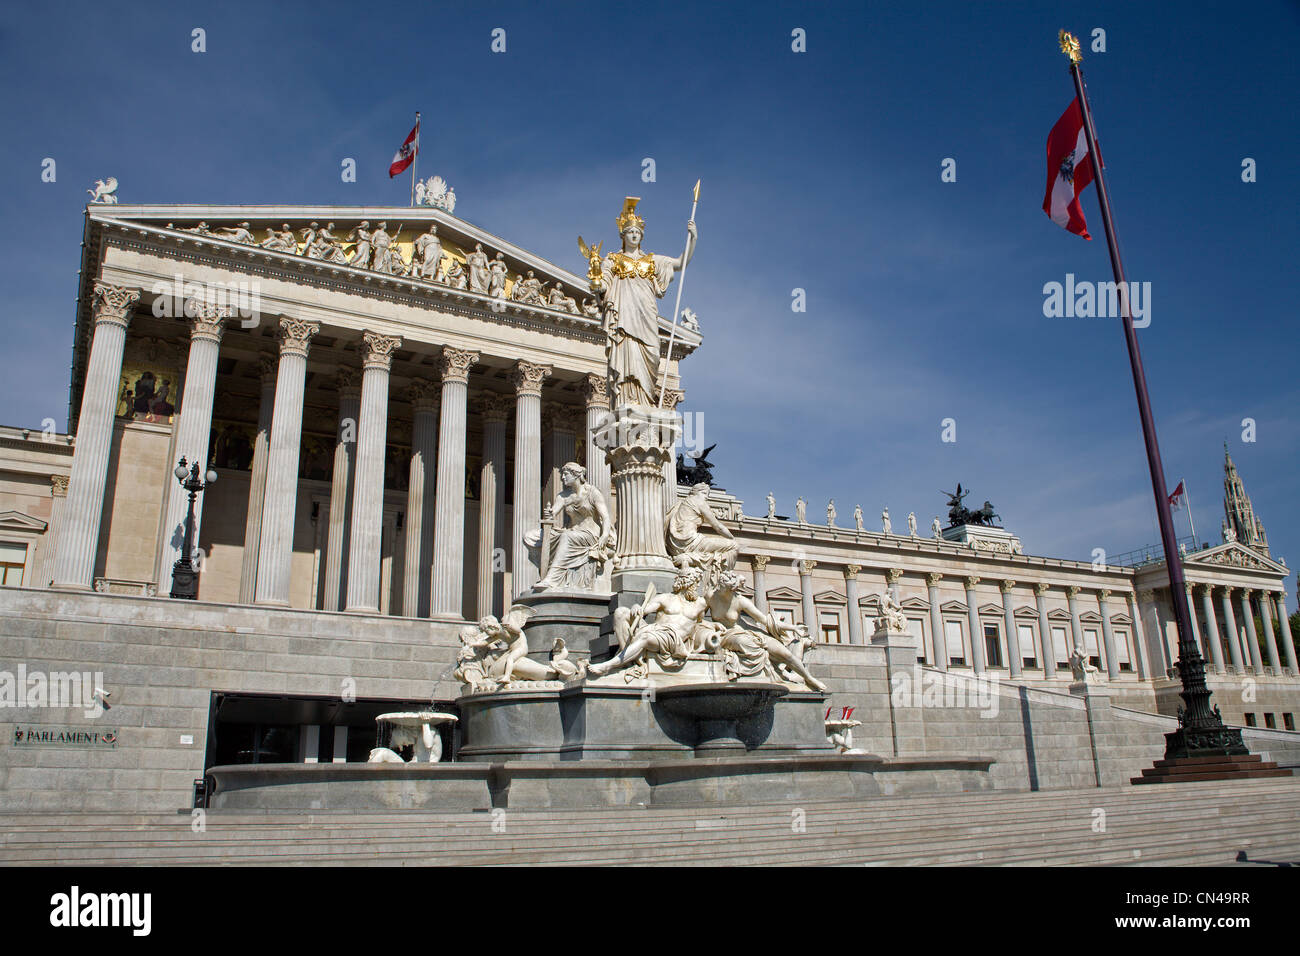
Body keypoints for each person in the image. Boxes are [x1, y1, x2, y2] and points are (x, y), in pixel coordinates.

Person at [589, 197, 696, 407]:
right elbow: (603, 285)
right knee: (626, 355)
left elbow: (681, 262)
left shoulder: (652, 261)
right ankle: (627, 400)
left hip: (646, 317)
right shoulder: (612, 260)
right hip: (624, 317)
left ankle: (644, 403)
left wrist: (692, 238)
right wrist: (596, 280)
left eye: (637, 232)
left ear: (642, 235)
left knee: (651, 356)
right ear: (623, 235)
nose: (634, 235)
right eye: (630, 231)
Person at [705, 570, 826, 692]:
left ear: (733, 589)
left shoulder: (740, 600)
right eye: (721, 588)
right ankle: (775, 675)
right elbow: (698, 620)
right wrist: (713, 624)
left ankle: (809, 678)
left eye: (727, 589)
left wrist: (793, 628)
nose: (722, 591)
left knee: (786, 654)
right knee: (744, 642)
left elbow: (764, 620)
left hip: (748, 631)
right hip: (727, 635)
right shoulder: (710, 596)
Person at [588, 568, 708, 678]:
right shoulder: (666, 598)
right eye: (695, 583)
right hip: (656, 630)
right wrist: (636, 607)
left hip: (672, 639)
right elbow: (644, 609)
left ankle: (608, 666)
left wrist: (717, 627)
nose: (697, 586)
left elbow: (700, 624)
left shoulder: (700, 604)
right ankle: (628, 661)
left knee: (646, 637)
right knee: (621, 613)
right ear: (685, 583)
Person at [530, 463, 612, 591]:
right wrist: (549, 514)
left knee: (566, 536)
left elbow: (605, 517)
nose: (562, 477)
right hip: (572, 531)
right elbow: (552, 513)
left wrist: (605, 535)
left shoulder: (592, 493)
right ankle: (544, 573)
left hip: (590, 534)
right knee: (531, 536)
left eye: (565, 474)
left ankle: (552, 578)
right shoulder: (563, 496)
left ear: (577, 475)